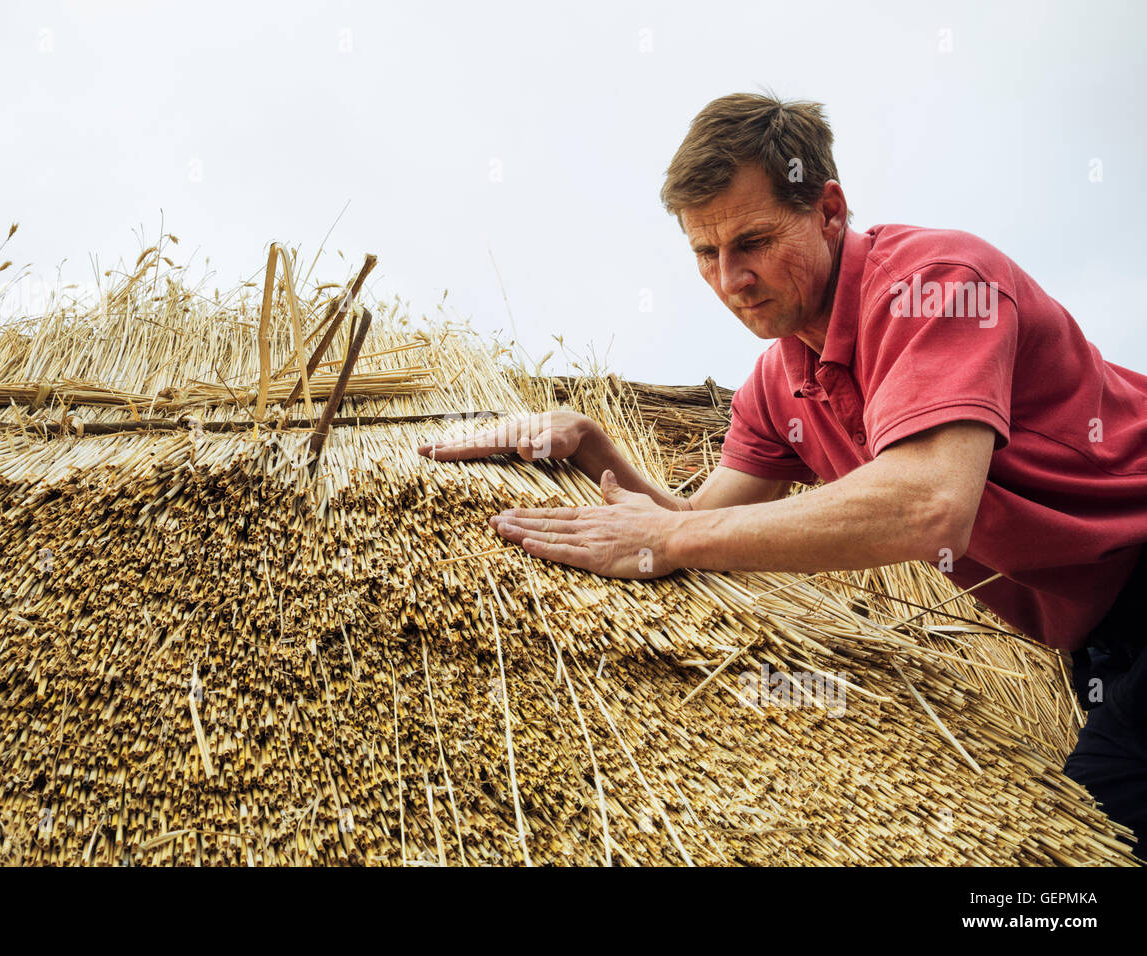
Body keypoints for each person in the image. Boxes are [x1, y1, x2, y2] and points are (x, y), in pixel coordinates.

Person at [416, 92, 1147, 857]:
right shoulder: (778, 385)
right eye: (706, 253)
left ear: (829, 211)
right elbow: (689, 524)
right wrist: (589, 444)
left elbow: (931, 504)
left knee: (1075, 864)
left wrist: (668, 538)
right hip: (1100, 643)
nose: (731, 278)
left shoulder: (937, 285)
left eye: (753, 242)